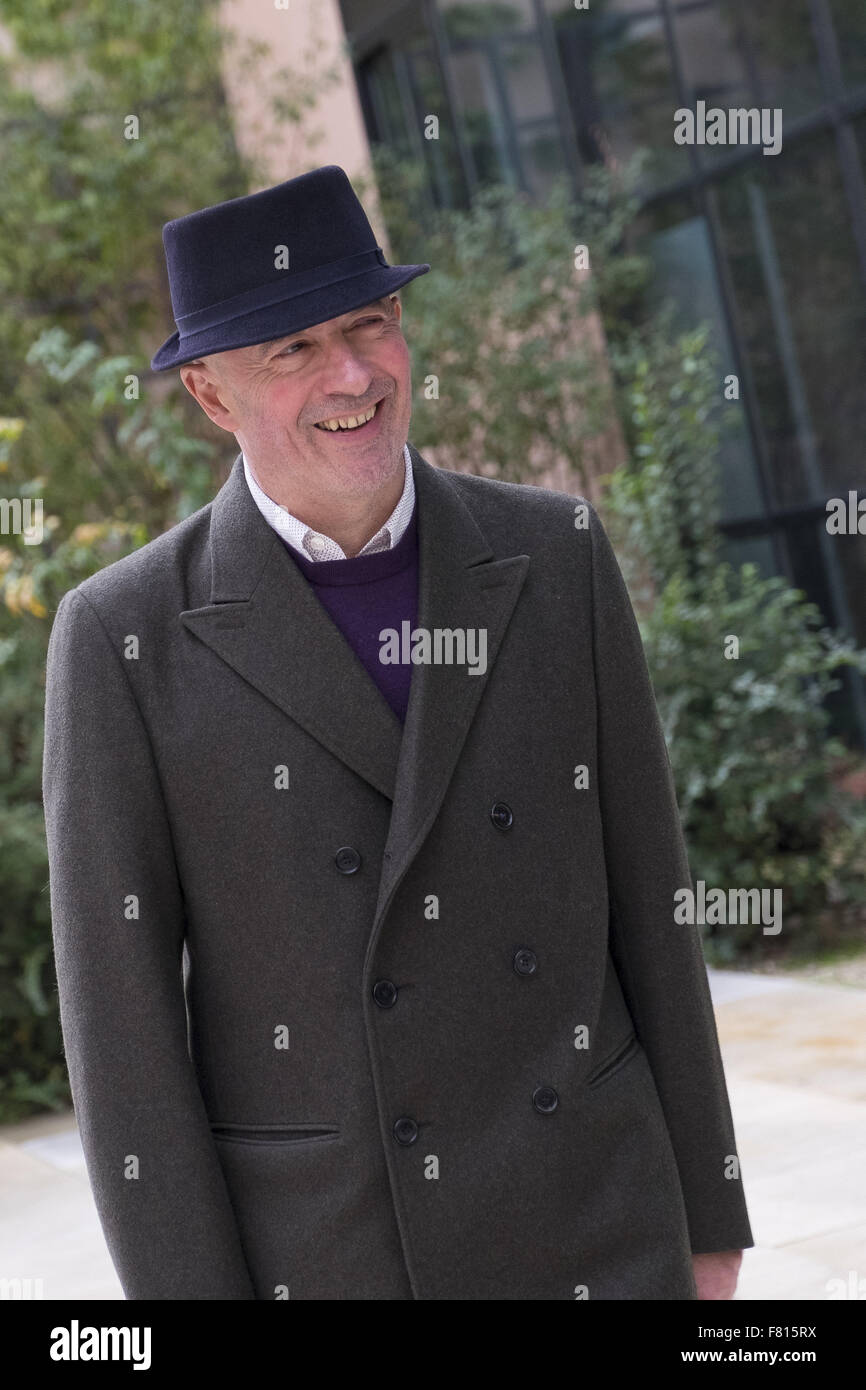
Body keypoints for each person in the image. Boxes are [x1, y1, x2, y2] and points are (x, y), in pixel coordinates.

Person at [42, 165, 753, 1301]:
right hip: (338, 1257)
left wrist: (709, 1221)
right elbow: (122, 1040)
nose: (353, 374)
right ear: (212, 395)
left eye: (369, 323)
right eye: (294, 349)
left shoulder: (556, 554)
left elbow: (651, 896)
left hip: (601, 1225)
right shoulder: (122, 637)